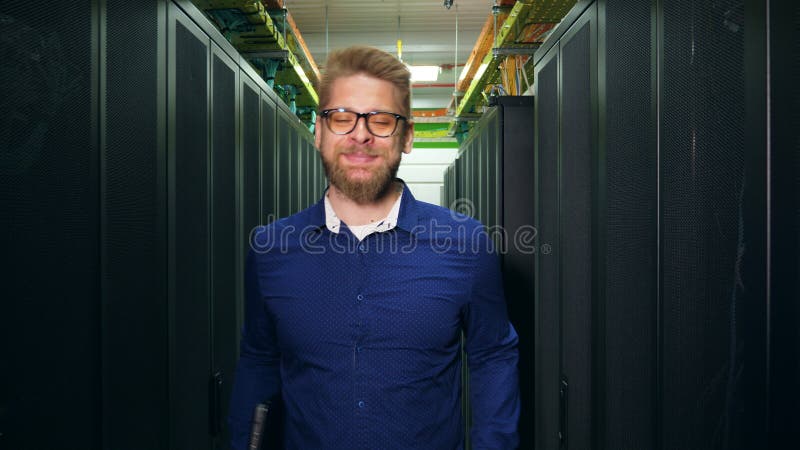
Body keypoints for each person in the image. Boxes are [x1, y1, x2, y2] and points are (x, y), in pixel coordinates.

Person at [228, 45, 520, 450]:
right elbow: (258, 361)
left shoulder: (466, 245)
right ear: (318, 132)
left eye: (381, 121)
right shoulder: (270, 250)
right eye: (341, 118)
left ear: (408, 137)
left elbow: (493, 357)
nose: (360, 134)